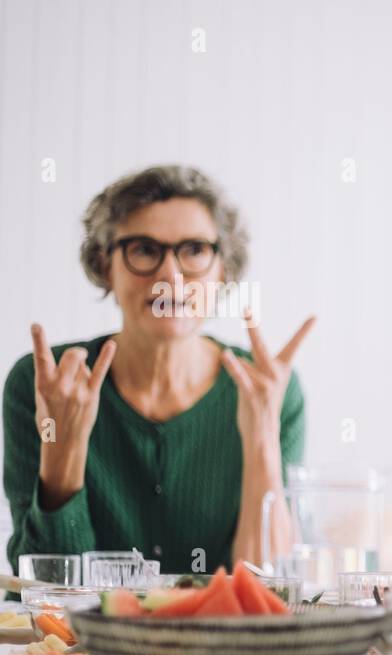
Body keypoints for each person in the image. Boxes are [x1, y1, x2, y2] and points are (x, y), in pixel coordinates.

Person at [3, 165, 314, 575]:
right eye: (145, 250)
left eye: (195, 250)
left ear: (224, 270)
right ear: (105, 265)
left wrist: (261, 440)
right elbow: (45, 590)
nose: (170, 275)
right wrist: (64, 452)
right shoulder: (44, 383)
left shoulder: (270, 389)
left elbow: (269, 590)